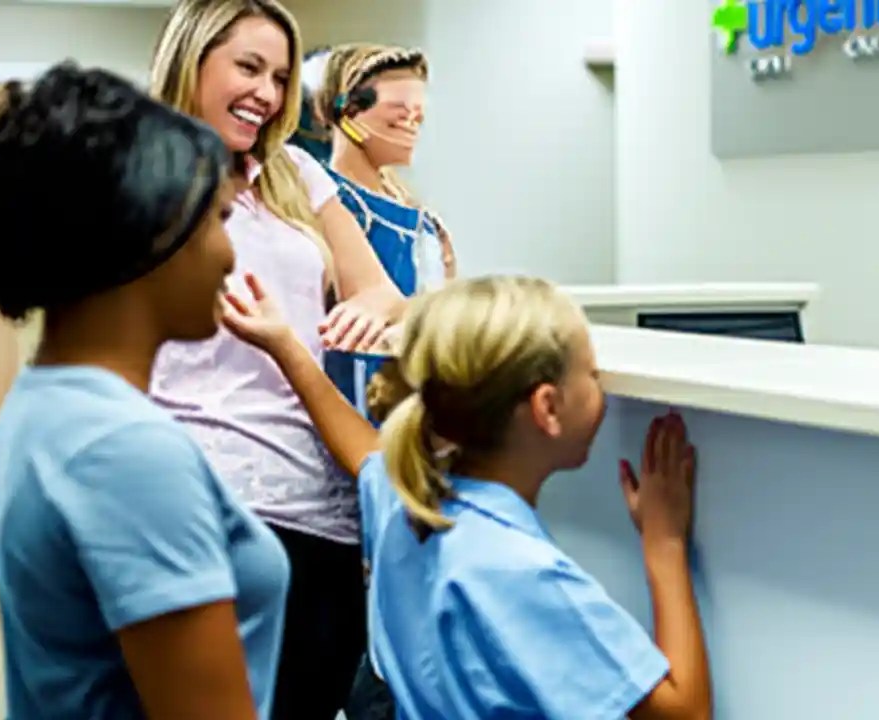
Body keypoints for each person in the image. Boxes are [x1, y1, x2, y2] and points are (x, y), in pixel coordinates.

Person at [221, 273, 714, 719]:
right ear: (548, 407)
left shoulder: (408, 497)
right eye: (591, 374)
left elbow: (363, 453)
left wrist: (284, 344)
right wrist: (664, 544)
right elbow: (684, 714)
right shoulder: (522, 572)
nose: (600, 386)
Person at [0, 62, 289, 719]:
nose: (229, 256)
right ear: (154, 226)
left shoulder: (47, 403)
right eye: (216, 221)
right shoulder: (121, 449)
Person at [146, 1, 410, 717]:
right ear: (193, 59)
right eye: (248, 68)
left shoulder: (294, 169)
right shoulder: (137, 174)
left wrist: (366, 309)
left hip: (320, 509)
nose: (266, 93)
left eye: (280, 76)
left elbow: (382, 292)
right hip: (204, 501)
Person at [310, 43, 457, 415]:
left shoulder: (417, 212)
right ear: (347, 110)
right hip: (361, 391)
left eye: (418, 118)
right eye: (398, 115)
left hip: (422, 384)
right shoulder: (329, 201)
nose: (411, 126)